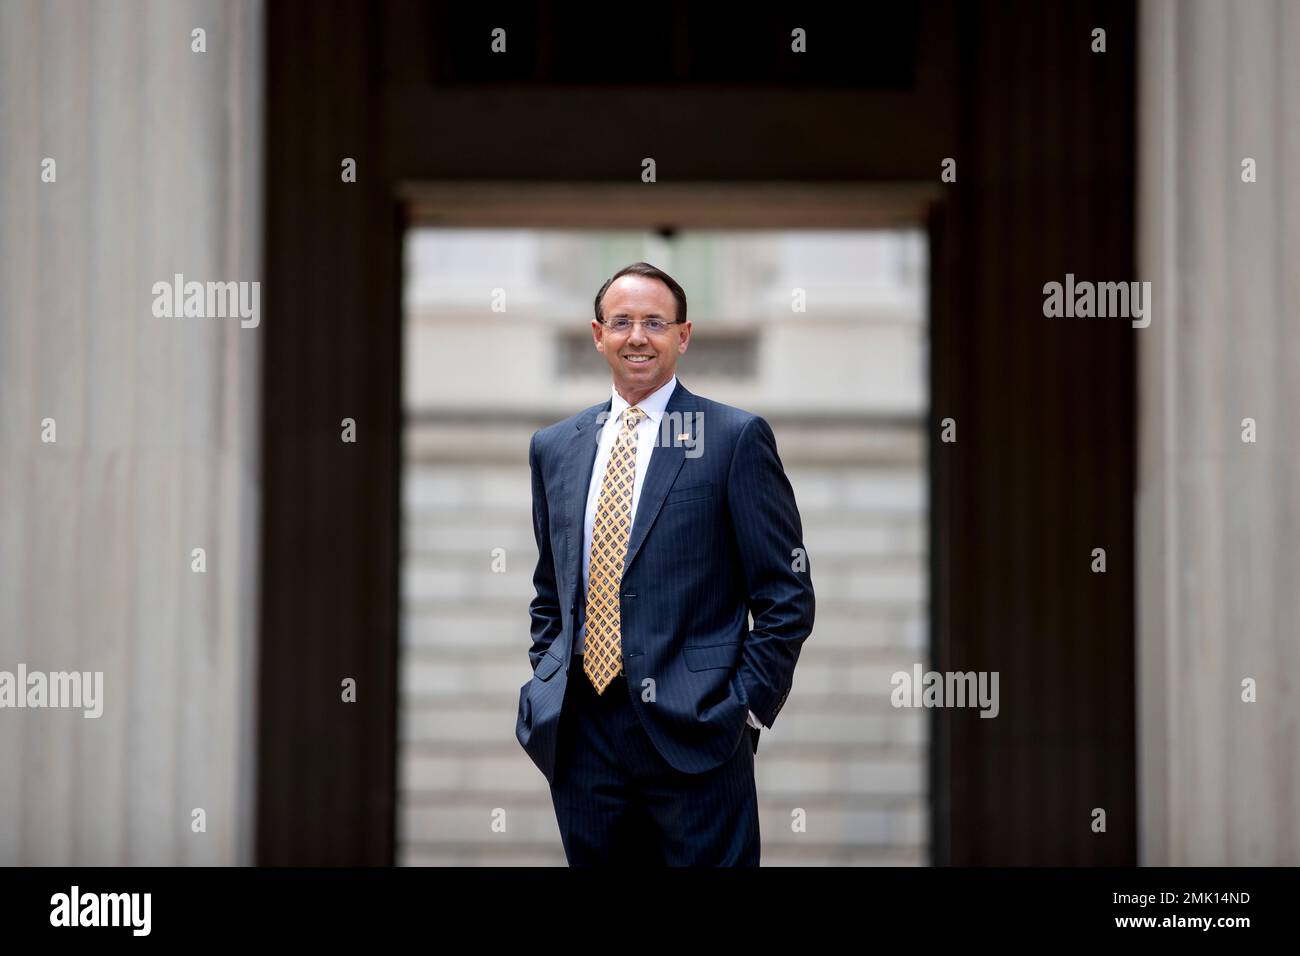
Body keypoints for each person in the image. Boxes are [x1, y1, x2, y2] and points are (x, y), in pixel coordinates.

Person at [515, 261, 815, 865]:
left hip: (699, 729)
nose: (637, 337)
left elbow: (786, 594)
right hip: (583, 732)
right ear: (598, 334)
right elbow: (551, 590)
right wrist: (548, 677)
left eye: (655, 322)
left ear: (684, 335)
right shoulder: (555, 447)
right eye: (622, 322)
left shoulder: (733, 438)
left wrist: (743, 707)